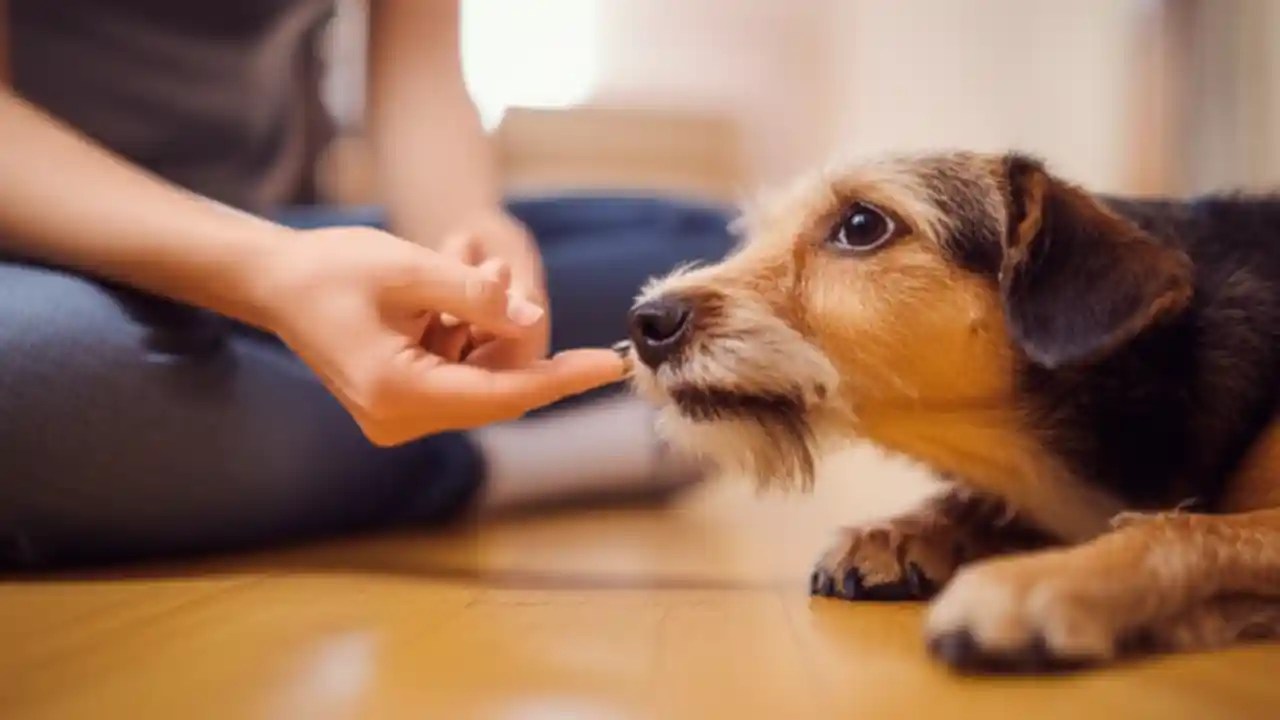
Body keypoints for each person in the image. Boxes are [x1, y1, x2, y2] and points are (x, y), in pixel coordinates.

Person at [0, 0, 734, 569]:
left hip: (270, 238)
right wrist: (262, 270)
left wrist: (469, 243)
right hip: (40, 259)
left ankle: (275, 410)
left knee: (713, 257)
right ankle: (479, 465)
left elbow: (420, 77)